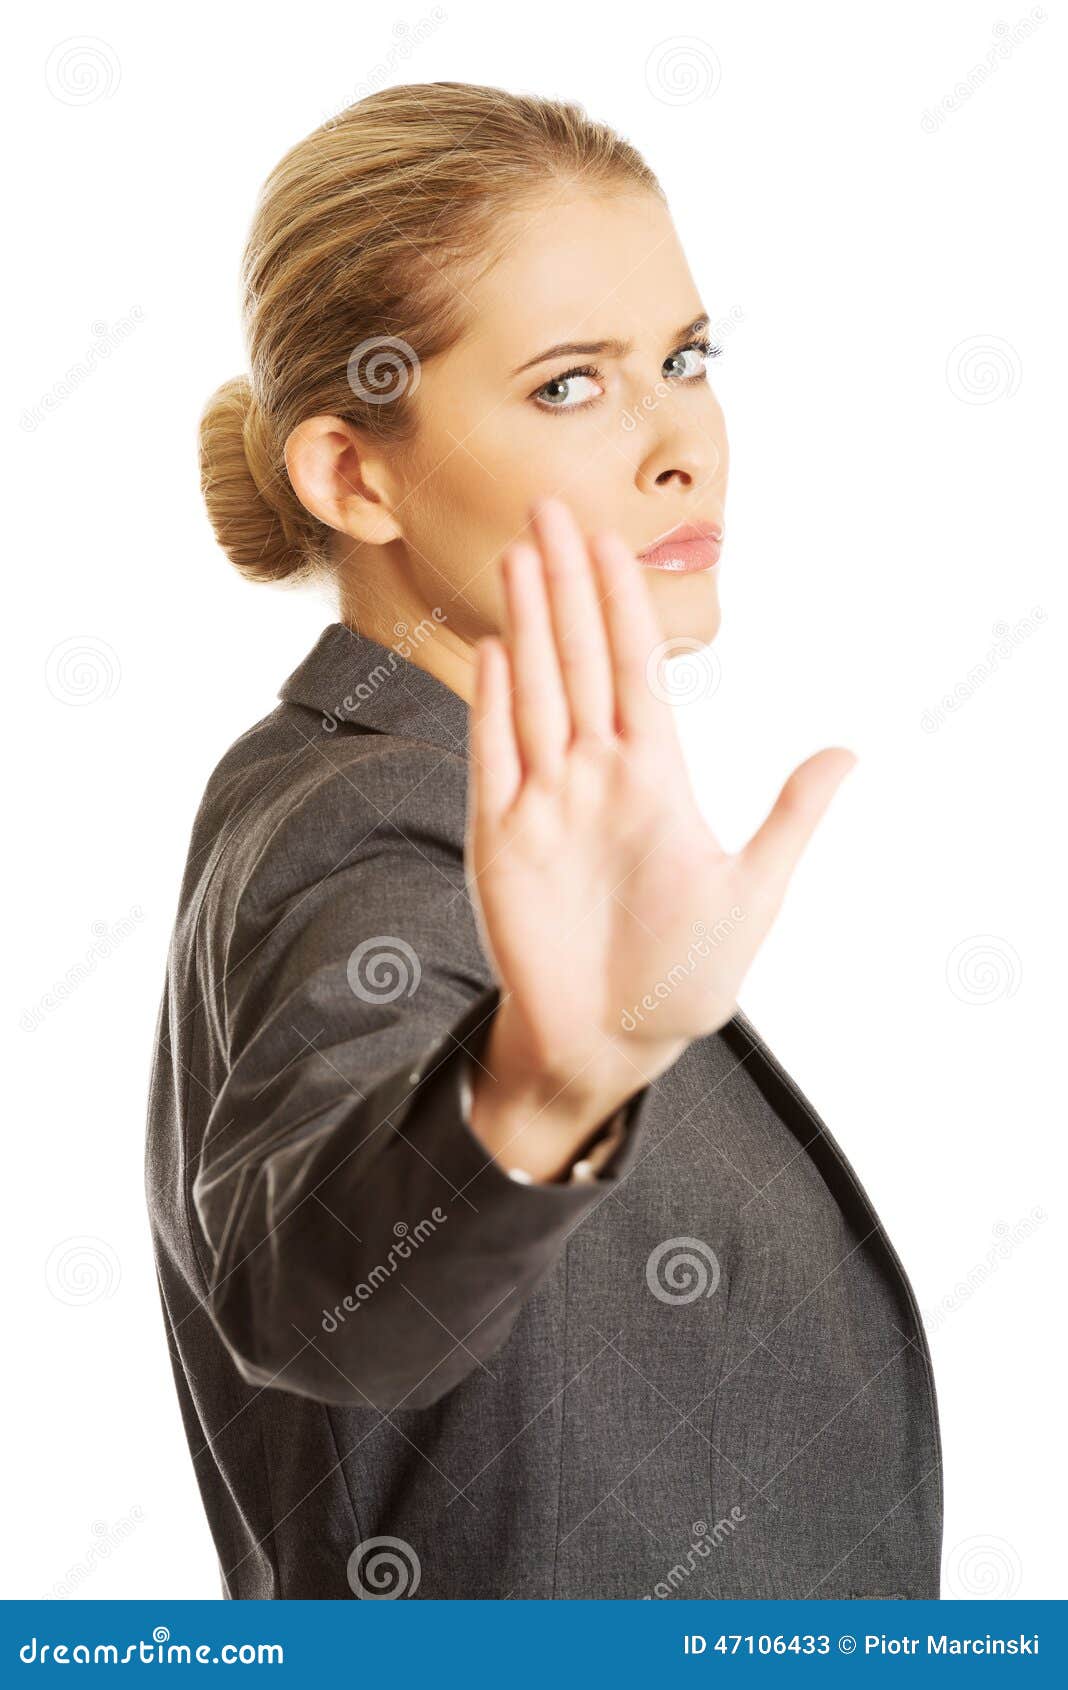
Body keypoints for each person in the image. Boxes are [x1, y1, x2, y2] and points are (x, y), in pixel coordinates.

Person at [145, 81, 943, 1601]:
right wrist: (536, 1093)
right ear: (351, 475)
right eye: (572, 386)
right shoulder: (362, 825)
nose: (681, 445)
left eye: (685, 359)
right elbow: (316, 1294)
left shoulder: (478, 809)